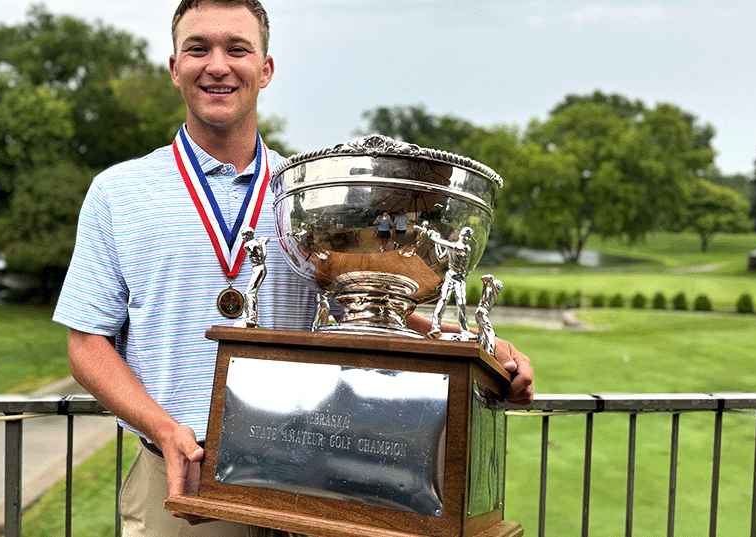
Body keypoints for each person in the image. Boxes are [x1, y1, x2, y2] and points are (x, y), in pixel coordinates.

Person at [53, 1, 534, 536]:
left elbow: (363, 305)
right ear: (174, 68)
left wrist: (484, 353)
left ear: (265, 69)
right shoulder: (119, 191)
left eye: (237, 49)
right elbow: (87, 345)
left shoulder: (311, 195)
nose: (217, 65)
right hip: (181, 478)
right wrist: (164, 430)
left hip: (313, 478)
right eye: (198, 49)